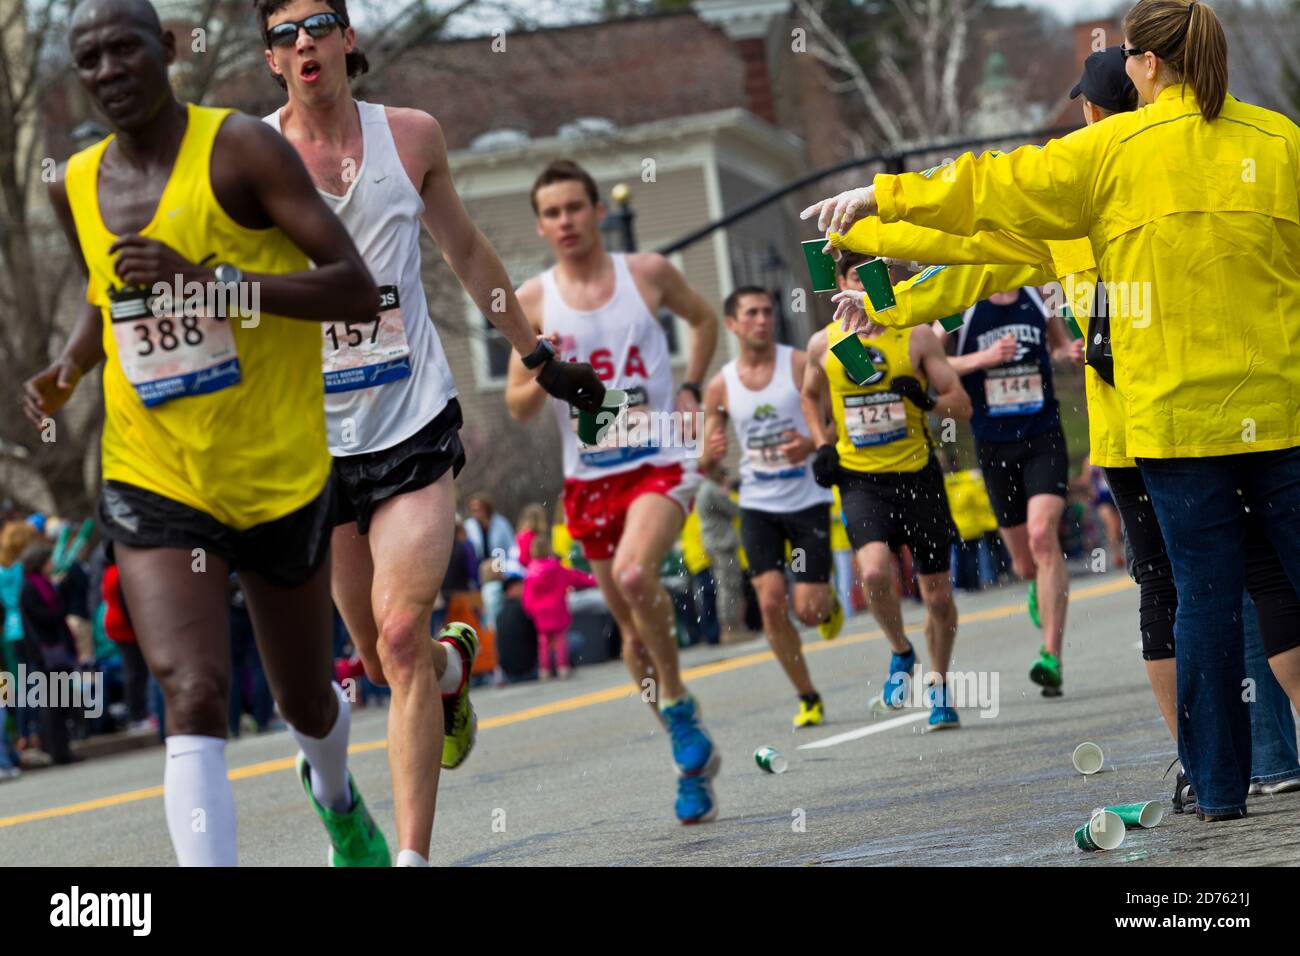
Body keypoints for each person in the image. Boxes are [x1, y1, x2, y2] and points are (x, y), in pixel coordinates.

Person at [804, 0, 1300, 820]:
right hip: (1278, 414)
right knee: (1269, 586)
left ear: (1142, 67)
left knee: (1197, 600)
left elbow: (989, 194)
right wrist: (887, 292)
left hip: (1169, 427)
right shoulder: (1280, 142)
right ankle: (1261, 764)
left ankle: (1216, 791)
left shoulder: (1105, 155)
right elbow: (981, 244)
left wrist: (881, 201)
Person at [23, 0, 387, 866]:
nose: (108, 70)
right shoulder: (72, 181)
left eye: (124, 49)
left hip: (276, 469)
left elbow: (353, 290)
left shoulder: (239, 151)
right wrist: (72, 366)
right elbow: (108, 297)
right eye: (89, 60)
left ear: (168, 48)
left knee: (303, 700)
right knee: (192, 691)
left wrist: (216, 285)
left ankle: (337, 799)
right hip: (154, 471)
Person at [256, 0, 605, 865]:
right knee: (378, 660)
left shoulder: (411, 136)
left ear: (346, 39)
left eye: (318, 23)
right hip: (313, 443)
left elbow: (470, 255)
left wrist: (537, 353)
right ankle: (455, 670)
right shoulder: (251, 157)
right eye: (284, 32)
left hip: (411, 418)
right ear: (271, 58)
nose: (304, 42)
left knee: (401, 634)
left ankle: (409, 858)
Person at [506, 158, 723, 824]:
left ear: (598, 212)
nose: (565, 221)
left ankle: (681, 704)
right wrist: (548, 375)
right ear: (540, 225)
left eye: (575, 207)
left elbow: (704, 319)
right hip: (590, 477)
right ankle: (686, 755)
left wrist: (688, 386)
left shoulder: (647, 273)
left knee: (634, 575)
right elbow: (516, 403)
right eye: (551, 212)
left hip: (659, 456)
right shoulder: (534, 301)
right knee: (632, 640)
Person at [801, 253, 972, 729]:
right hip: (860, 479)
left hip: (918, 475)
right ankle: (901, 649)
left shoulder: (915, 335)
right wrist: (822, 444)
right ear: (839, 284)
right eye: (856, 277)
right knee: (873, 570)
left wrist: (929, 399)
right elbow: (808, 396)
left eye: (876, 277)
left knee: (937, 595)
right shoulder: (825, 343)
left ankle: (938, 687)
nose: (865, 285)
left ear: (889, 284)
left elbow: (963, 405)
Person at [700, 286, 842, 727]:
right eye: (752, 313)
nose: (762, 320)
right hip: (758, 504)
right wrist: (710, 456)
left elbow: (839, 419)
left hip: (806, 500)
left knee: (808, 610)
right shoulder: (720, 385)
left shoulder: (799, 364)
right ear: (732, 324)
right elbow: (708, 461)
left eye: (767, 311)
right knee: (770, 601)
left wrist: (814, 442)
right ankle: (807, 695)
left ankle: (827, 605)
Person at [936, 287, 1084, 693]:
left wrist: (1068, 354)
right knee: (1023, 563)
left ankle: (1051, 655)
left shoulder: (1040, 295)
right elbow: (929, 362)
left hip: (1043, 434)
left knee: (1042, 535)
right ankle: (1038, 583)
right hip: (993, 441)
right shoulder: (960, 301)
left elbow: (1058, 346)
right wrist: (983, 359)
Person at [18, 543, 79, 765]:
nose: (52, 564)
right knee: (53, 705)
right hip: (45, 653)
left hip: (56, 650)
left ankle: (63, 748)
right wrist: (59, 592)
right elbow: (46, 618)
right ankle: (58, 751)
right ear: (40, 564)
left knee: (61, 703)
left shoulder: (45, 585)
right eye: (48, 561)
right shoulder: (31, 588)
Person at [522, 536, 597, 679]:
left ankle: (545, 669)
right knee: (560, 639)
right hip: (557, 608)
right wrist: (595, 580)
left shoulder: (530, 573)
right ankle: (562, 666)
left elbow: (528, 596)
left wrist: (529, 609)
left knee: (543, 640)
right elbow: (576, 578)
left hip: (540, 612)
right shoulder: (557, 568)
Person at [514, 503, 549, 567]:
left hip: (526, 569)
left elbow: (522, 559)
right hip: (536, 569)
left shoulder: (522, 536)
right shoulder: (540, 538)